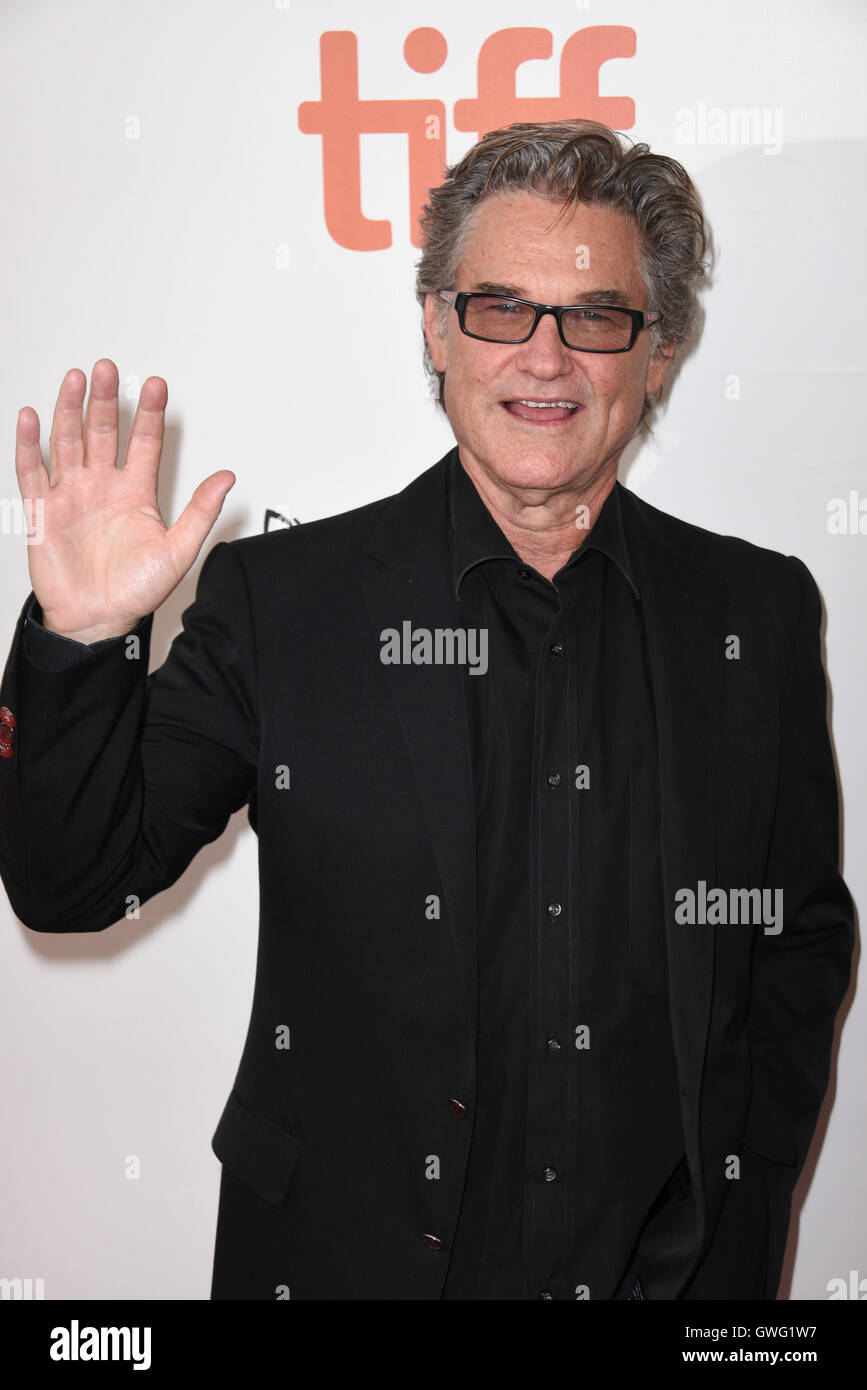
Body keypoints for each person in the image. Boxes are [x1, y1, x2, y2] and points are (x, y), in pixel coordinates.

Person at [0, 119, 853, 1301]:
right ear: (436, 331)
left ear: (654, 355)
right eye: (500, 307)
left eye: (596, 316)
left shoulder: (754, 611)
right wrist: (83, 644)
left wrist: (739, 1227)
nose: (545, 360)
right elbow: (73, 884)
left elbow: (792, 940)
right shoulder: (284, 603)